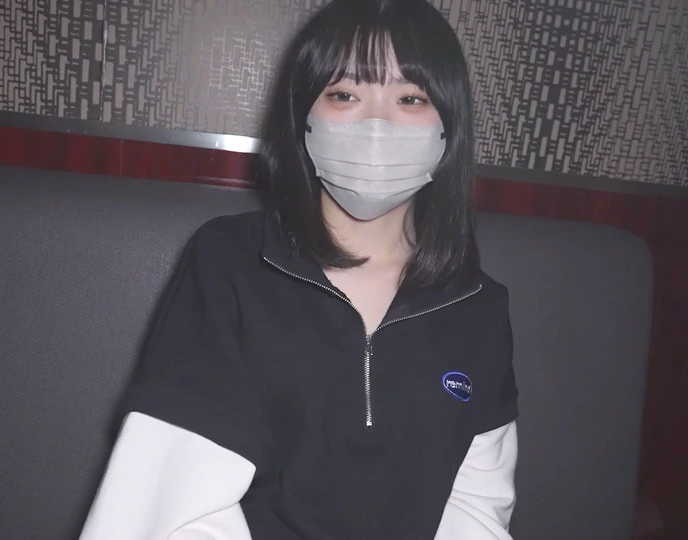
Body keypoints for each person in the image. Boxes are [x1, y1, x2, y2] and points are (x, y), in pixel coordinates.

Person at [79, 0, 519, 538]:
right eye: (345, 94)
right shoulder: (231, 262)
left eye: (410, 98)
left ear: (450, 125)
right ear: (303, 116)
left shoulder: (478, 307)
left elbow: (475, 508)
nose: (377, 124)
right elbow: (176, 498)